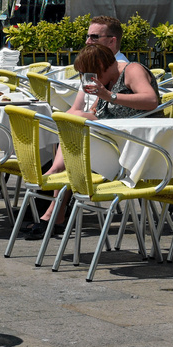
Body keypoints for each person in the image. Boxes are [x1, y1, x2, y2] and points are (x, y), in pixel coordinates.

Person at [26, 42, 159, 237]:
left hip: (134, 146)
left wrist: (109, 95)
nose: (85, 79)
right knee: (72, 123)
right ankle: (55, 205)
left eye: (87, 74)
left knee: (76, 135)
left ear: (102, 66)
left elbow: (151, 100)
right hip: (110, 139)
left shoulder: (132, 70)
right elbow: (97, 111)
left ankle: (54, 198)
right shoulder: (107, 80)